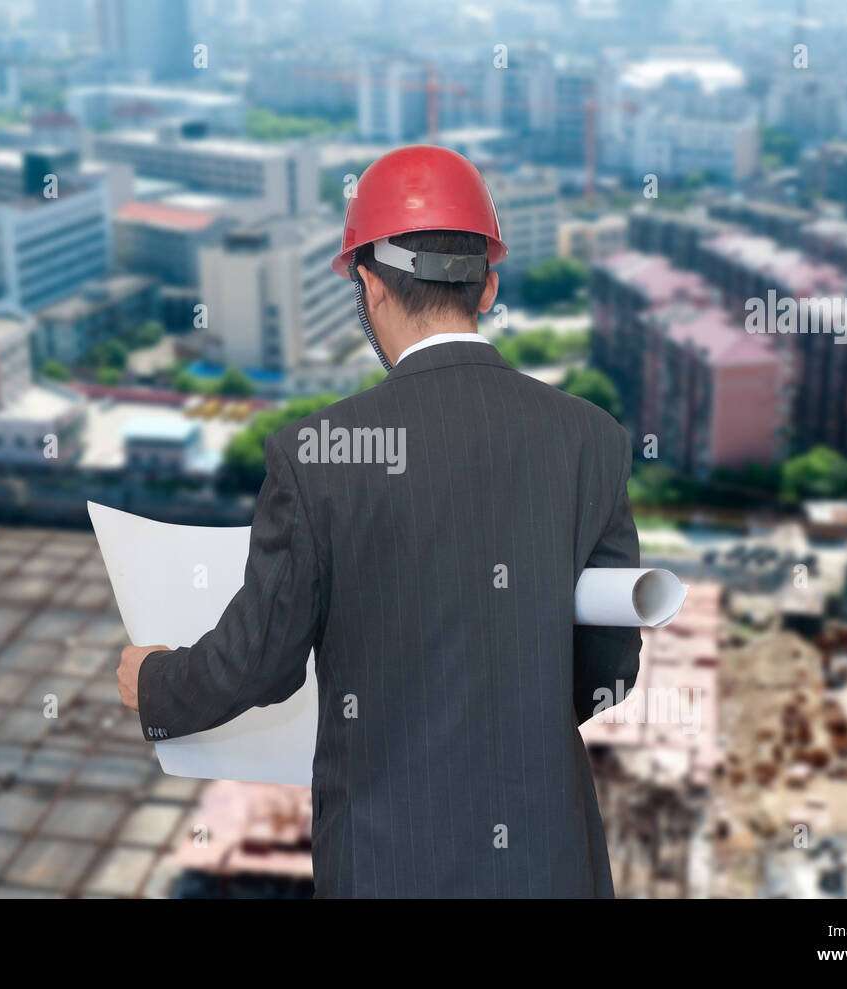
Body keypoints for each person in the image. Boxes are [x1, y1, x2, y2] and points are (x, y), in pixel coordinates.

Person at [117, 145, 641, 897]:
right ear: (487, 285)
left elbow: (257, 661)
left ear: (369, 286)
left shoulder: (317, 453)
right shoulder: (590, 437)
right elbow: (611, 663)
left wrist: (159, 682)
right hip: (549, 862)